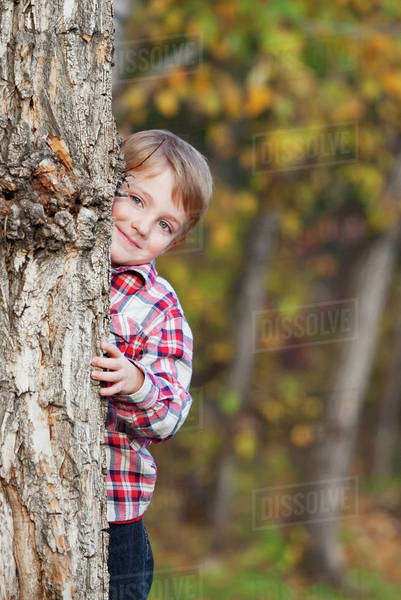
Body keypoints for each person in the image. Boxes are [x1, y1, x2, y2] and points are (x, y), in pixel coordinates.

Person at [89, 129, 213, 600]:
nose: (143, 226)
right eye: (137, 199)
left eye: (165, 224)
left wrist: (135, 381)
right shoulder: (47, 251)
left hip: (113, 519)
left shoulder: (160, 307)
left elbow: (171, 415)